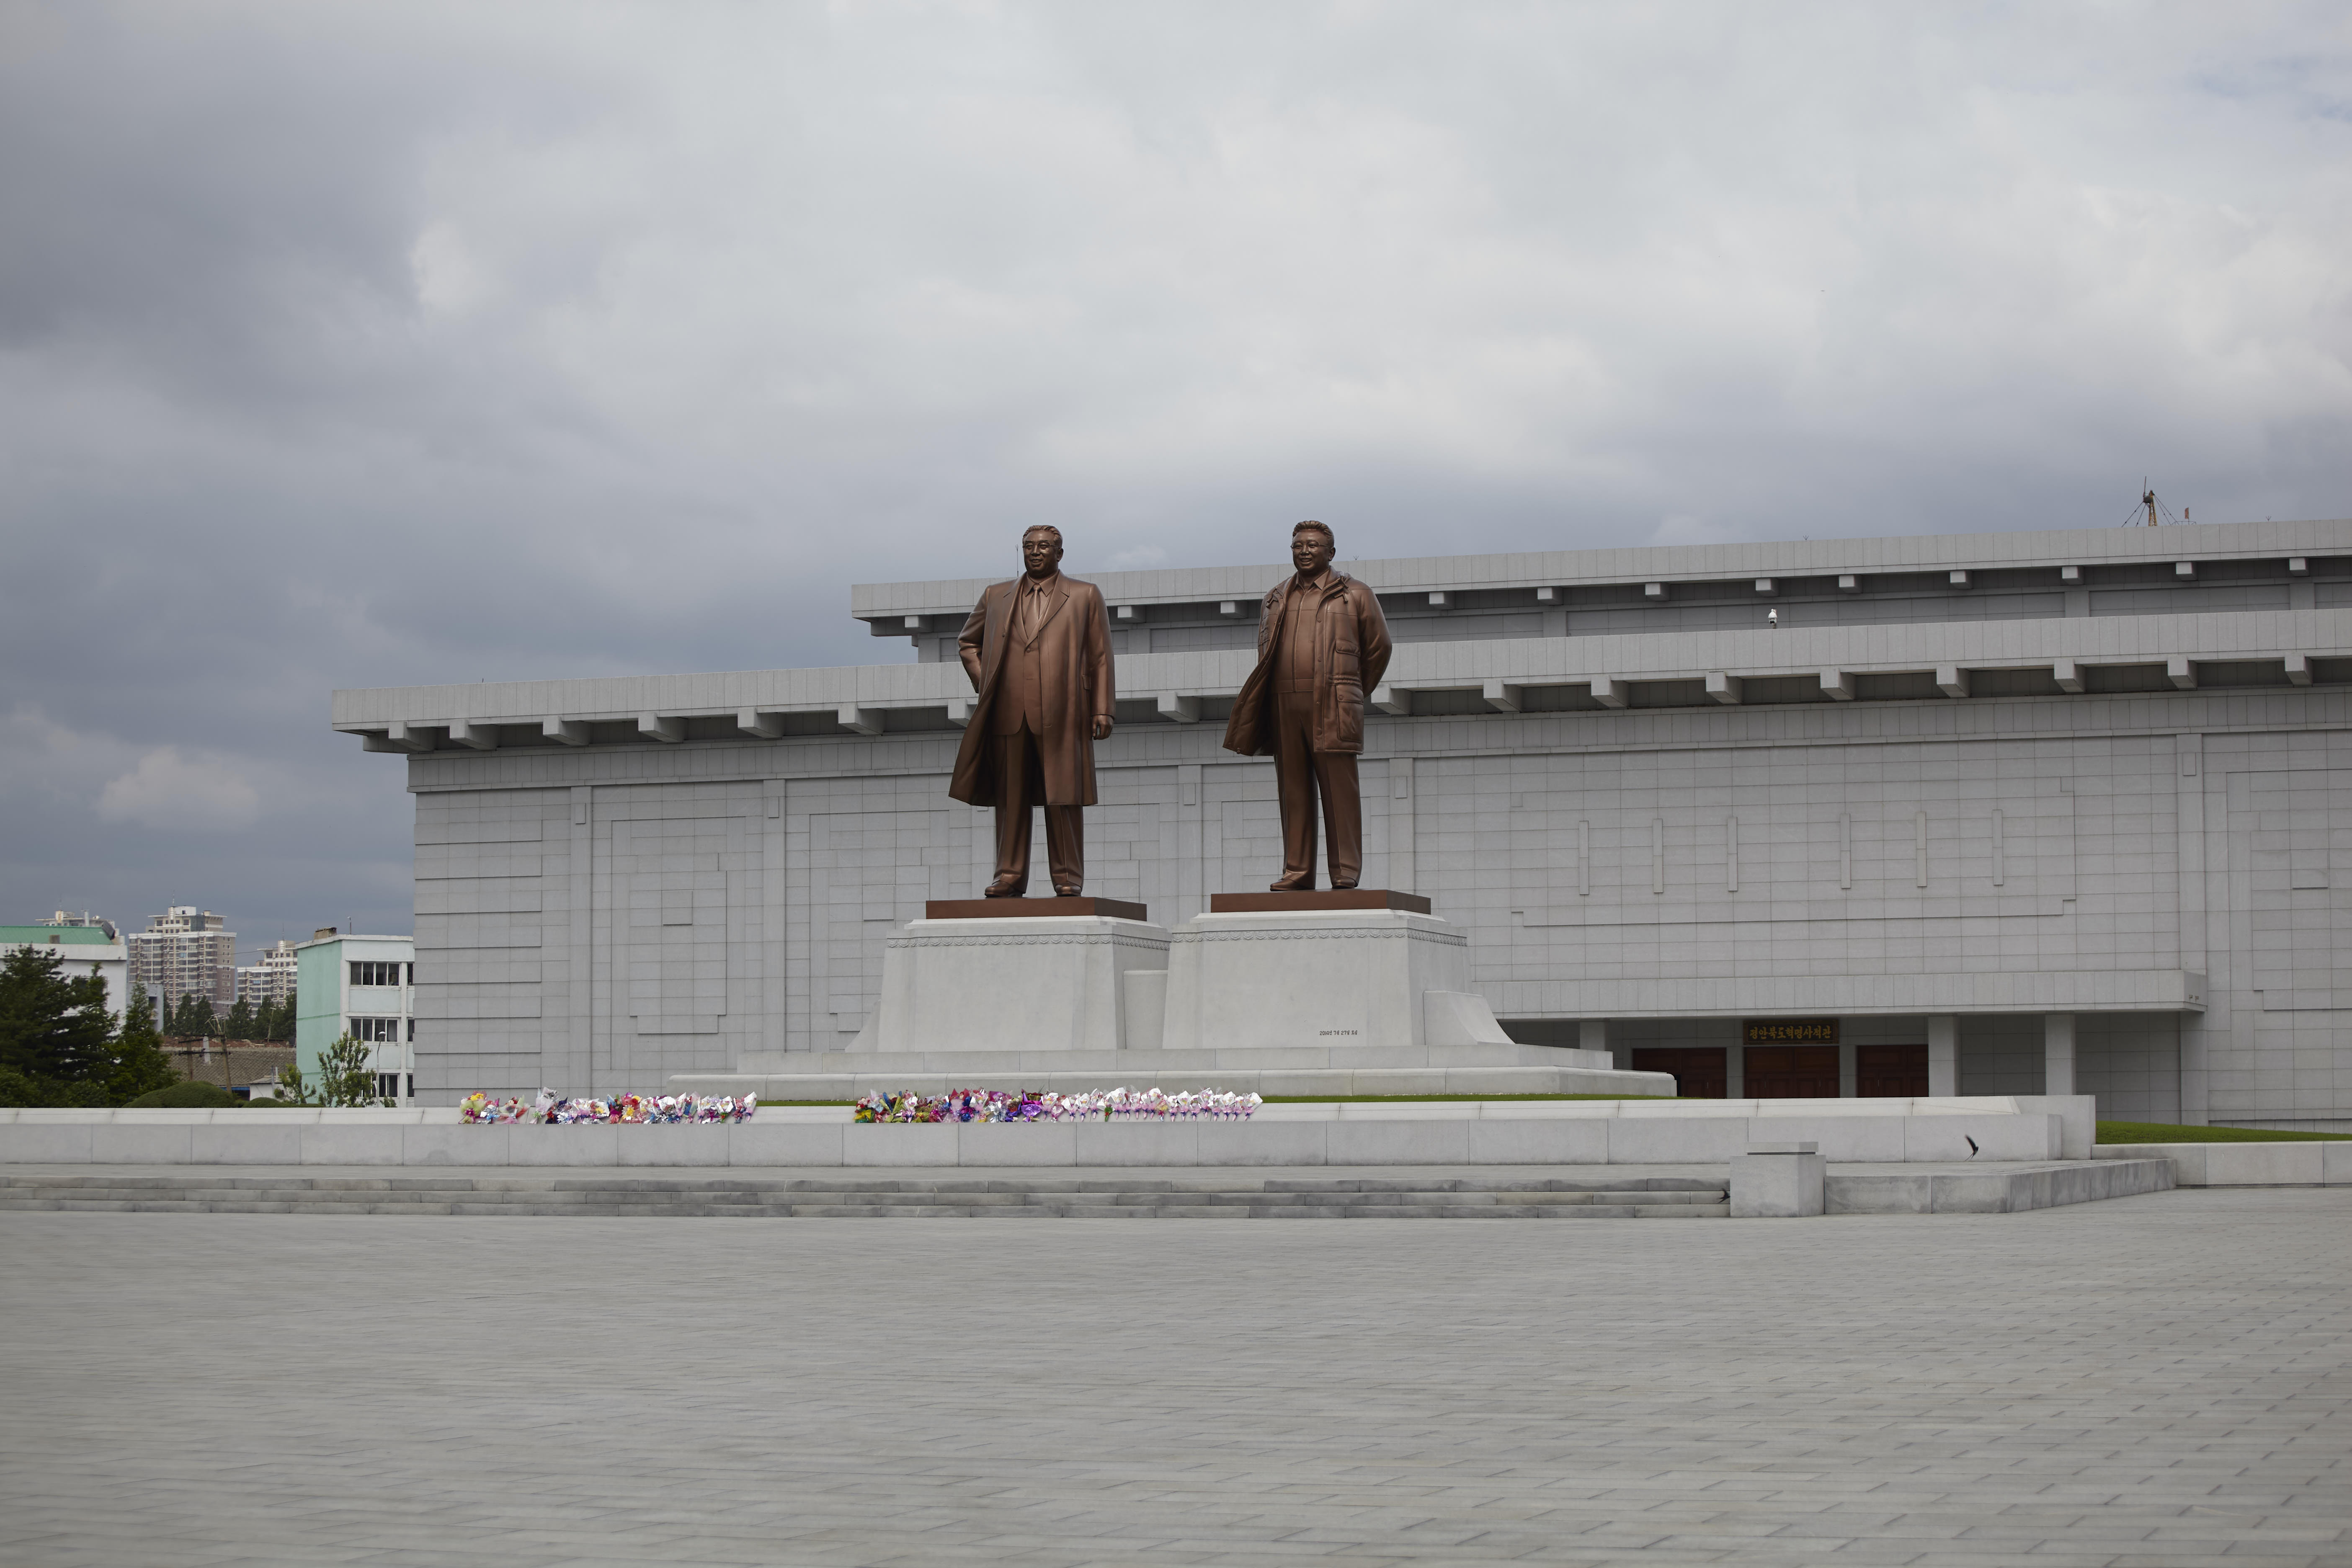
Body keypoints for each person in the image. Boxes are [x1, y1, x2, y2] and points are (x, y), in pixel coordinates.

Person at [1222, 520, 1392, 890]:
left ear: (1331, 553)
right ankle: (1297, 871)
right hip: (1284, 704)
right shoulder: (1276, 597)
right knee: (1294, 791)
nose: (1304, 551)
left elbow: (1379, 647)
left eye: (1313, 546)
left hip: (1332, 704)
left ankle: (1345, 870)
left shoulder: (1355, 594)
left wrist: (1350, 691)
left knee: (1339, 791)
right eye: (1298, 546)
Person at [947, 526, 1115, 896]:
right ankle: (1008, 875)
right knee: (1010, 797)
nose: (1035, 552)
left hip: (1064, 712)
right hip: (1008, 712)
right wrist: (987, 683)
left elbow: (1101, 655)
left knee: (1064, 795)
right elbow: (968, 643)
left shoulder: (1085, 595)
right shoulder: (996, 596)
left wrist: (1102, 709)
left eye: (1043, 547)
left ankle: (1068, 877)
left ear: (1060, 553)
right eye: (1028, 547)